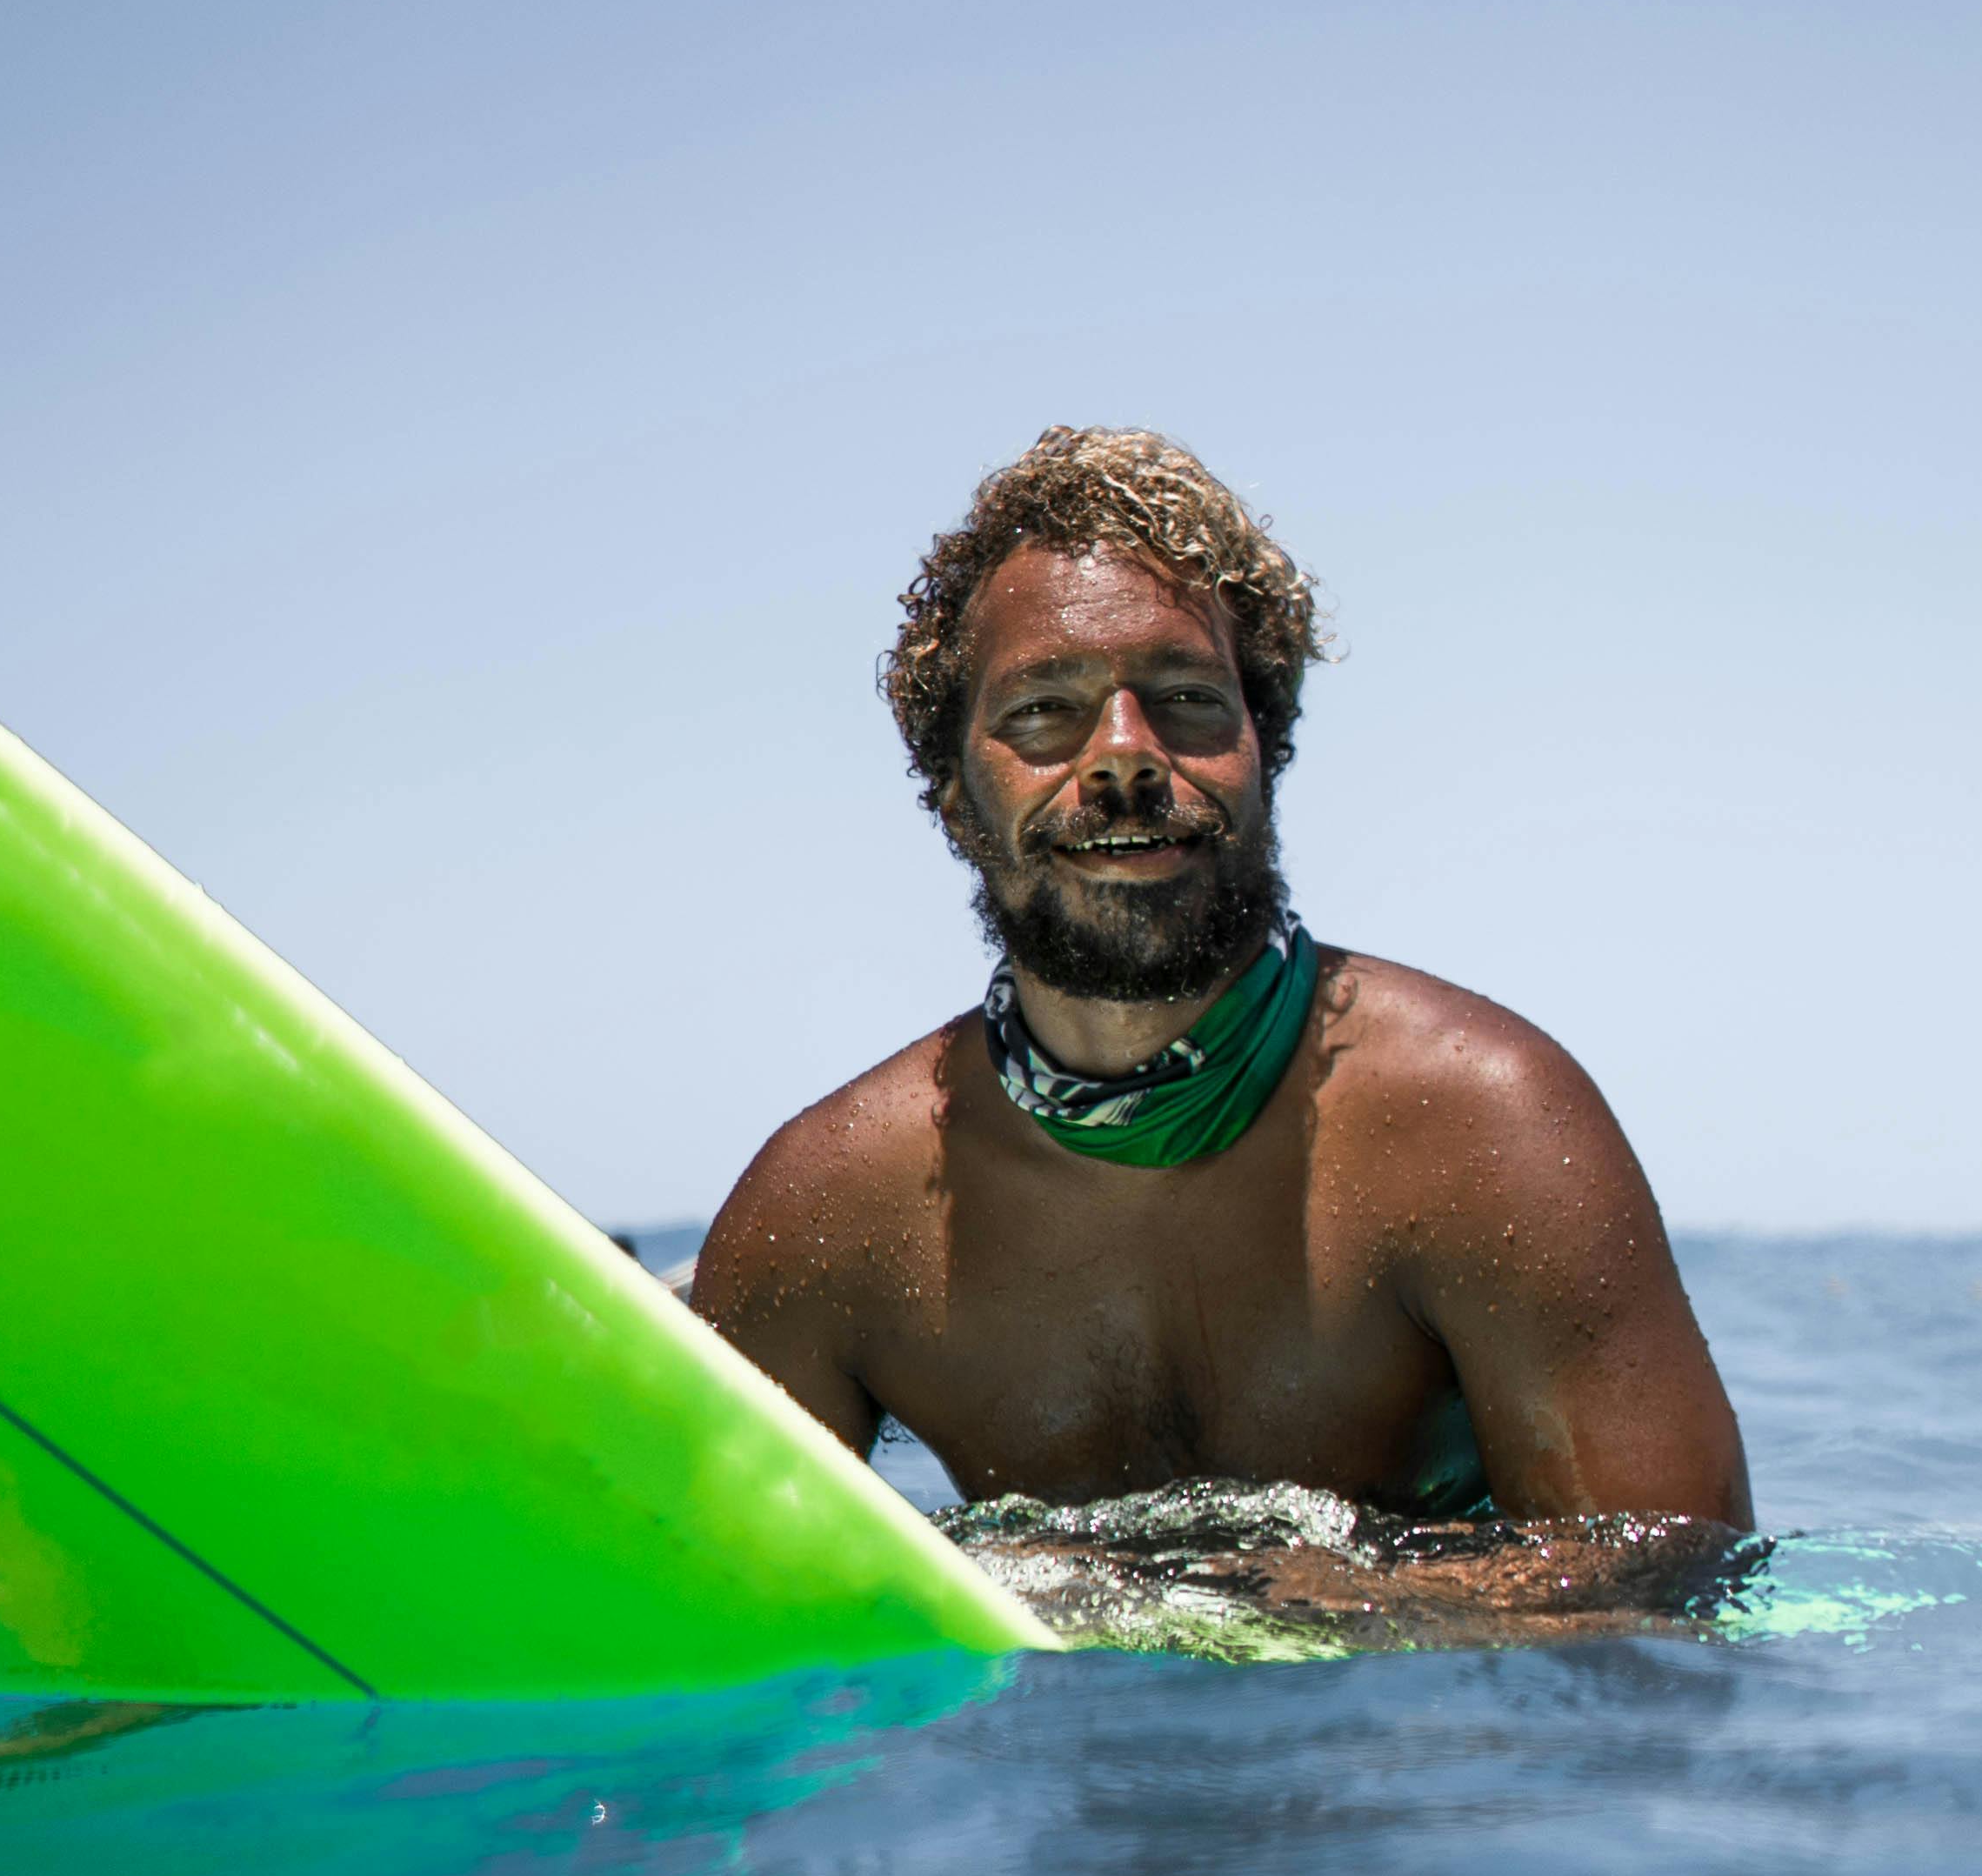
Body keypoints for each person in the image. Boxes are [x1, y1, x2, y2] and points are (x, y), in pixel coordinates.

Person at [693, 429, 1750, 1611]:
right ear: (953, 794)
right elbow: (706, 1620)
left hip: (1423, 1776)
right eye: (1045, 712)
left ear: (1265, 749)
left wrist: (1216, 1611)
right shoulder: (828, 1212)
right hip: (1022, 1783)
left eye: (1188, 703)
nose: (1126, 759)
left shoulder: (1482, 1128)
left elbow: (1675, 1591)